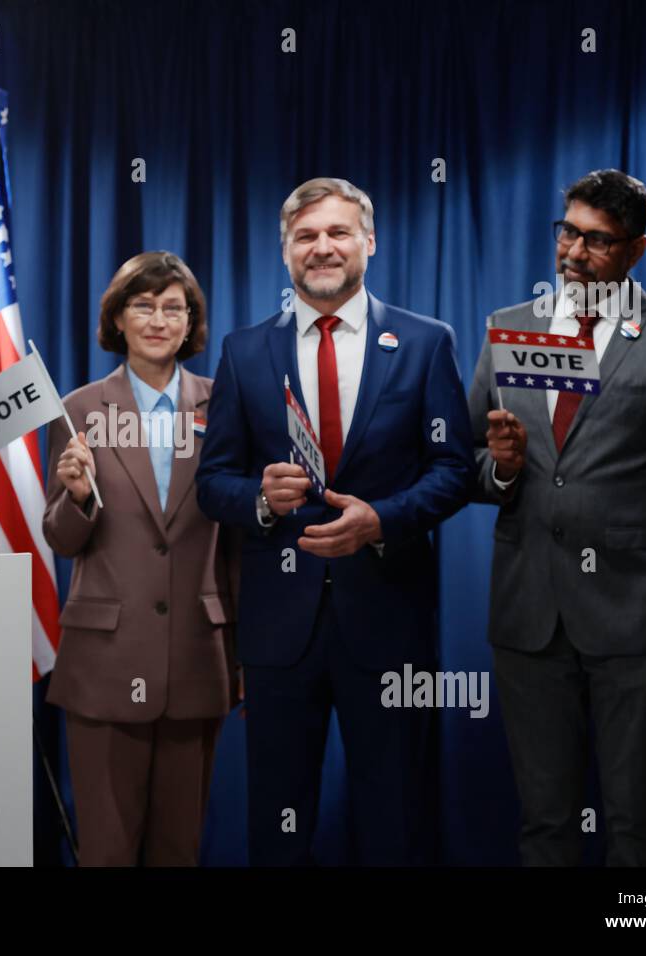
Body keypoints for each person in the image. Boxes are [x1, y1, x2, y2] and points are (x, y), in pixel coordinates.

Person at [196, 178, 473, 865]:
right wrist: (261, 498)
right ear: (285, 251)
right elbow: (212, 484)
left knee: (395, 824)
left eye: (338, 232)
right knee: (279, 826)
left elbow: (454, 469)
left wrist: (380, 520)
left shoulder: (425, 342)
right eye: (306, 236)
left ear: (369, 243)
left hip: (389, 623)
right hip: (279, 635)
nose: (323, 247)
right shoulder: (243, 350)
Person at [468, 169, 646, 865]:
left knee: (636, 824)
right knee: (545, 823)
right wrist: (503, 466)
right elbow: (464, 465)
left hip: (634, 619)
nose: (576, 255)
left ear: (636, 250)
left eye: (599, 242)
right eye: (569, 234)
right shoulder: (507, 328)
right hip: (528, 613)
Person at [43, 251, 237, 866]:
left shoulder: (225, 404)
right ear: (118, 319)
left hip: (198, 658)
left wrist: (245, 652)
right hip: (103, 661)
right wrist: (76, 498)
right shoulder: (78, 410)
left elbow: (237, 541)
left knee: (179, 849)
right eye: (143, 305)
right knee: (106, 849)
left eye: (173, 308)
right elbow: (61, 538)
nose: (158, 319)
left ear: (190, 323)